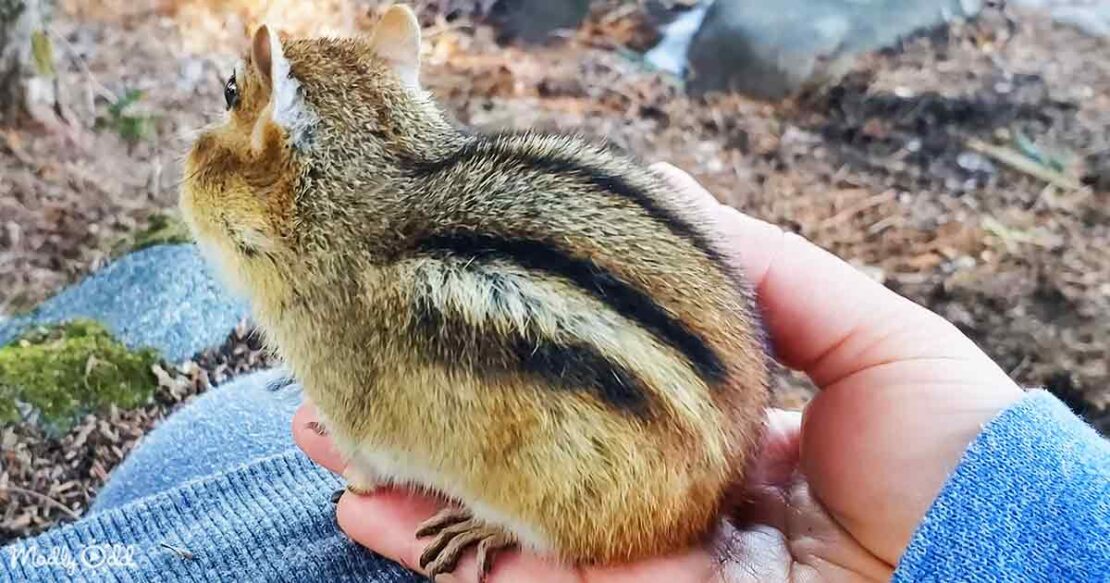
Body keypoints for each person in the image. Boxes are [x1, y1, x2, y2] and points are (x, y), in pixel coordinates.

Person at [3, 165, 1107, 582]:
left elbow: (374, 432)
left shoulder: (349, 301)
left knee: (254, 456)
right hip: (706, 455)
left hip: (622, 483)